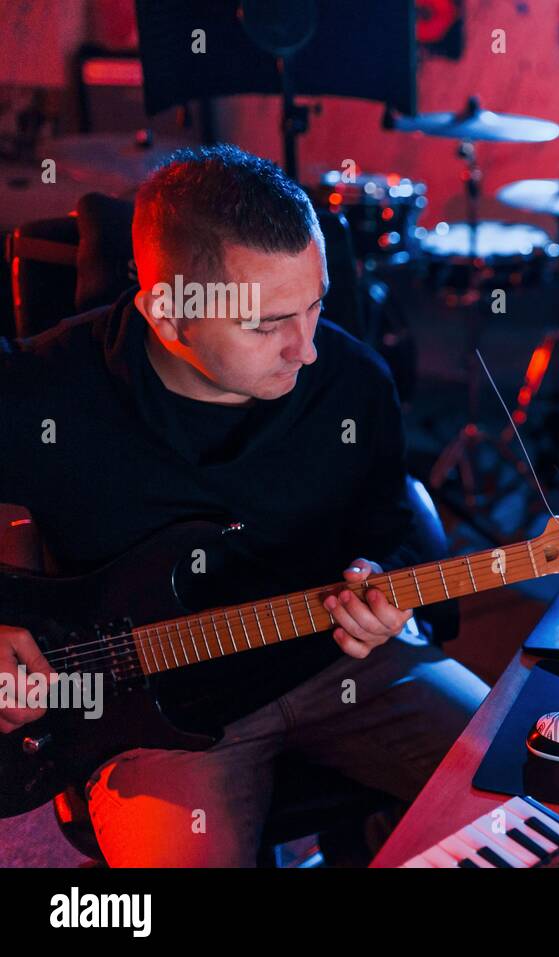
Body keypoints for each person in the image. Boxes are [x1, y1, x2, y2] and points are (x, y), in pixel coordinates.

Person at [0, 144, 488, 866]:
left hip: (339, 665)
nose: (307, 349)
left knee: (535, 785)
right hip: (151, 718)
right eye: (266, 325)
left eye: (315, 304)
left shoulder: (351, 381)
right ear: (167, 317)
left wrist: (386, 578)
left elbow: (395, 521)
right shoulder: (45, 395)